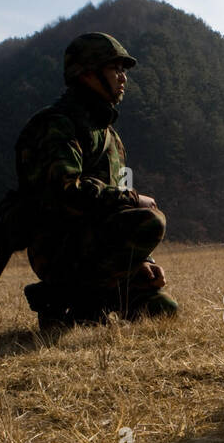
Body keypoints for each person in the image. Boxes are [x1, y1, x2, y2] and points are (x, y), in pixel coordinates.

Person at [15, 32, 178, 332]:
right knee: (151, 221)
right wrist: (131, 199)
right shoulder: (56, 125)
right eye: (114, 69)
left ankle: (91, 301)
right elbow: (64, 192)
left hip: (99, 249)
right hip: (60, 249)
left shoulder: (110, 137)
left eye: (123, 71)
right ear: (87, 73)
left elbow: (115, 215)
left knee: (163, 310)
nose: (123, 78)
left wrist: (142, 260)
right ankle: (62, 299)